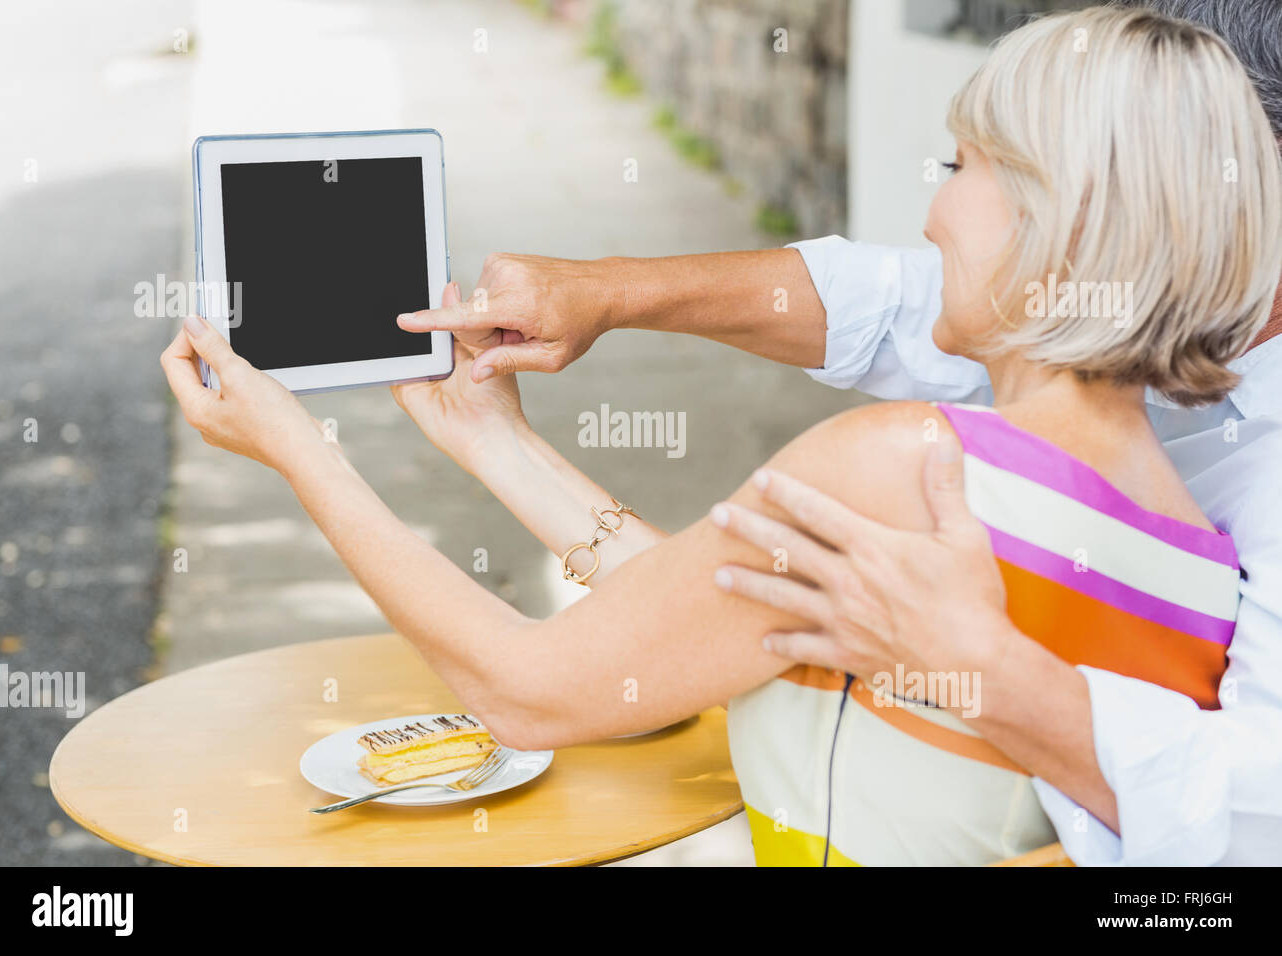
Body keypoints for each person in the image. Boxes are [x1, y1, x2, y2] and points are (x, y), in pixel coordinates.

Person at [161, 7, 1282, 864]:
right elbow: (727, 628)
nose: (931, 206)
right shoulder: (1198, 558)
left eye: (963, 168)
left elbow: (527, 686)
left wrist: (299, 446)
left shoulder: (908, 463)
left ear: (1058, 222)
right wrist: (490, 441)